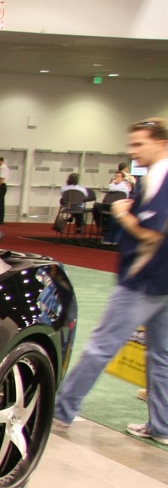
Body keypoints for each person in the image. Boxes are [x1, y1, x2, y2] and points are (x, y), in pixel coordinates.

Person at [54, 117, 168, 444]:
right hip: (162, 282)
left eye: (139, 144)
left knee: (100, 347)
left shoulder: (160, 175)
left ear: (160, 143)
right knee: (161, 356)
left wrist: (121, 213)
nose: (134, 152)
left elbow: (150, 232)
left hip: (142, 280)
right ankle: (162, 426)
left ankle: (62, 410)